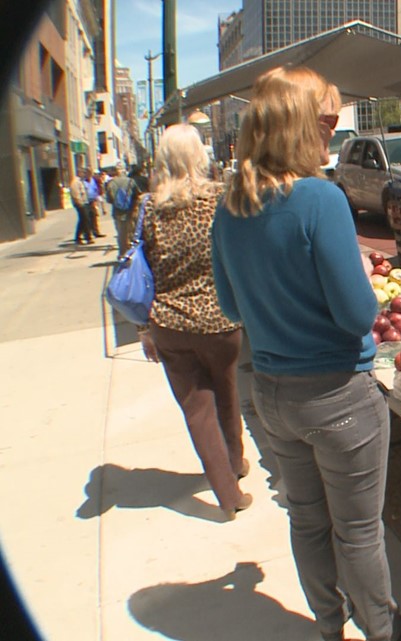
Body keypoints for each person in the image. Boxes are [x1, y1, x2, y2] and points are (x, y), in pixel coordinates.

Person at [211, 65, 401, 641]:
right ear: (295, 126)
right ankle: (382, 632)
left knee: (308, 523)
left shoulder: (229, 207)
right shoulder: (319, 199)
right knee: (358, 531)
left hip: (273, 393)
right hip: (337, 395)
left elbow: (232, 308)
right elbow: (359, 314)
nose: (331, 135)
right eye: (324, 121)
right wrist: (357, 270)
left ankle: (329, 628)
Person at [137, 123, 251, 520]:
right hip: (220, 320)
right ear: (199, 156)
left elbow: (140, 271)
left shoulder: (148, 207)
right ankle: (235, 463)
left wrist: (143, 329)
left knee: (197, 409)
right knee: (227, 394)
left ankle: (227, 493)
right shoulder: (220, 199)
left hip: (170, 323)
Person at [106, 163, 141, 258]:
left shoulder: (111, 183)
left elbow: (109, 199)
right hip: (130, 211)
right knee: (131, 232)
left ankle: (122, 254)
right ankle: (133, 253)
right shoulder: (130, 181)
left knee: (121, 234)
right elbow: (137, 195)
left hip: (117, 212)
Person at [69, 167, 95, 245]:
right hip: (81, 204)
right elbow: (75, 194)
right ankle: (87, 237)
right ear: (79, 173)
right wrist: (79, 203)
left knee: (84, 220)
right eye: (83, 172)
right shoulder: (75, 182)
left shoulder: (81, 181)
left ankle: (79, 237)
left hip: (85, 203)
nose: (84, 174)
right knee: (85, 220)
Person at [85, 169, 107, 238]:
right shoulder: (83, 182)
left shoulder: (93, 181)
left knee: (94, 217)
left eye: (89, 174)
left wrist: (96, 200)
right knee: (87, 218)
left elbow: (96, 190)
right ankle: (87, 234)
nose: (88, 175)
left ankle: (96, 232)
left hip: (93, 201)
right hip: (85, 202)